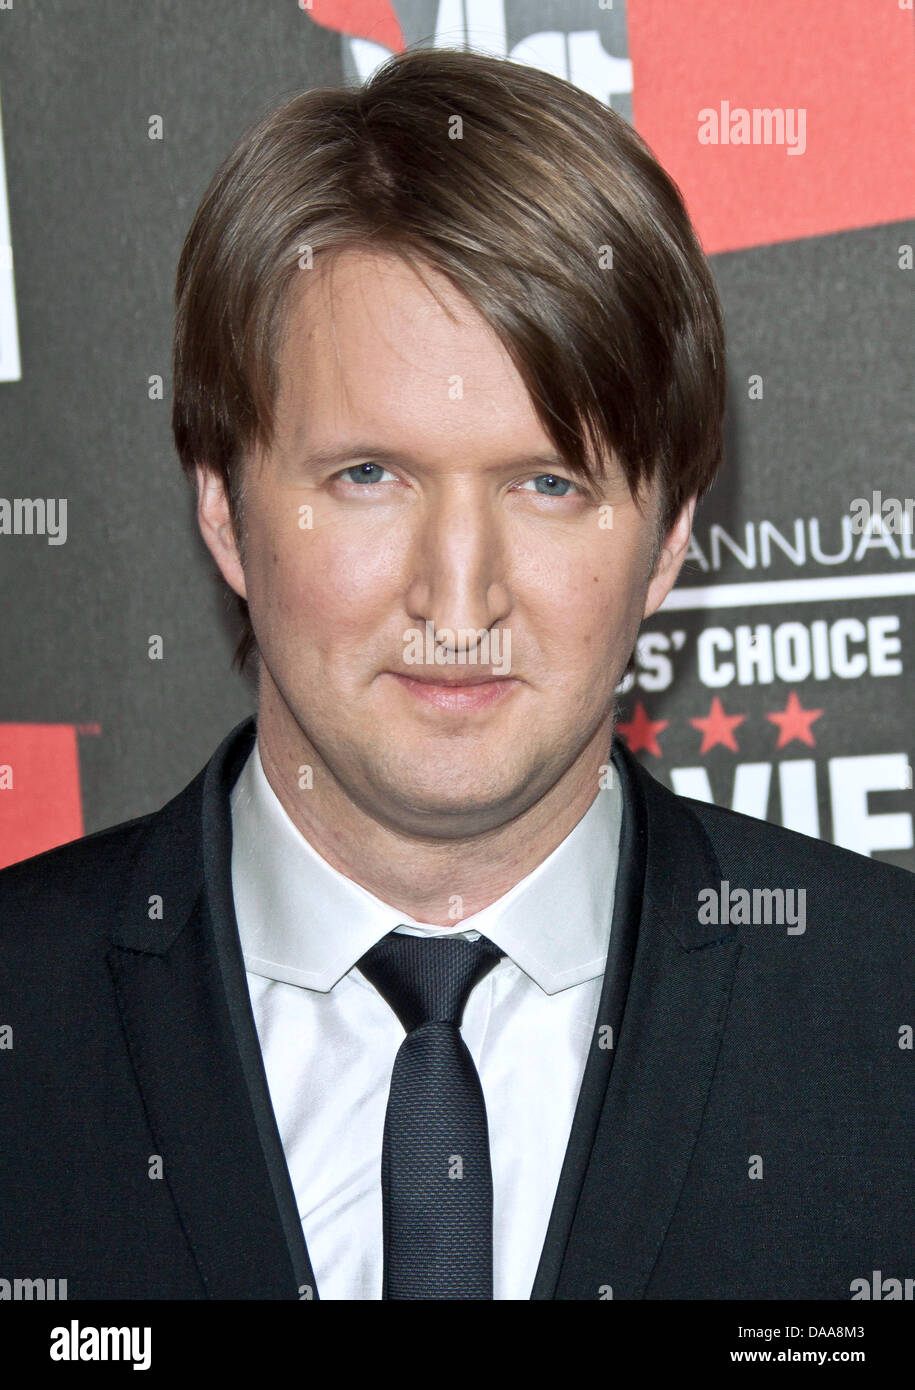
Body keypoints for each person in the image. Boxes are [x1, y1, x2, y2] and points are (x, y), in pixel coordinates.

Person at [1, 46, 911, 1302]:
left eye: (549, 484)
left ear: (670, 539)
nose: (459, 595)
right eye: (369, 475)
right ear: (222, 506)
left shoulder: (885, 1019)